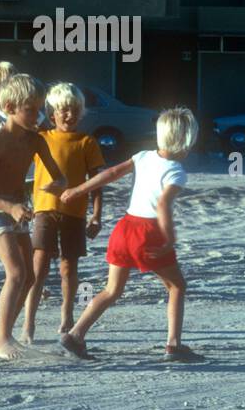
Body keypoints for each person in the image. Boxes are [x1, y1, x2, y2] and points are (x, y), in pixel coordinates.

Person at [59, 107, 201, 363]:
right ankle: (174, 344)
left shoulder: (143, 156)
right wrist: (170, 237)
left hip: (124, 229)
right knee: (177, 285)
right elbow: (162, 205)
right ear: (186, 141)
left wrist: (78, 190)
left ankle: (75, 334)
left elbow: (110, 173)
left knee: (111, 289)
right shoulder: (177, 171)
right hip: (148, 232)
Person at [0, 74, 66, 359]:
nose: (38, 116)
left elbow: (58, 175)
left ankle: (6, 334)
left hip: (18, 207)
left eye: (39, 109)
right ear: (10, 107)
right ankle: (2, 339)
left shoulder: (35, 141)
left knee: (29, 275)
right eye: (31, 109)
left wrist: (58, 185)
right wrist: (9, 207)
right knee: (15, 272)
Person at [23, 82, 105, 343]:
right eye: (63, 110)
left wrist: (96, 216)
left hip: (75, 214)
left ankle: (67, 316)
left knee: (68, 268)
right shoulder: (41, 138)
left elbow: (97, 182)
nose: (69, 115)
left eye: (74, 110)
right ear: (52, 113)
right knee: (39, 267)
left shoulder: (86, 142)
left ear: (81, 112)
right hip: (44, 211)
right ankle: (28, 323)